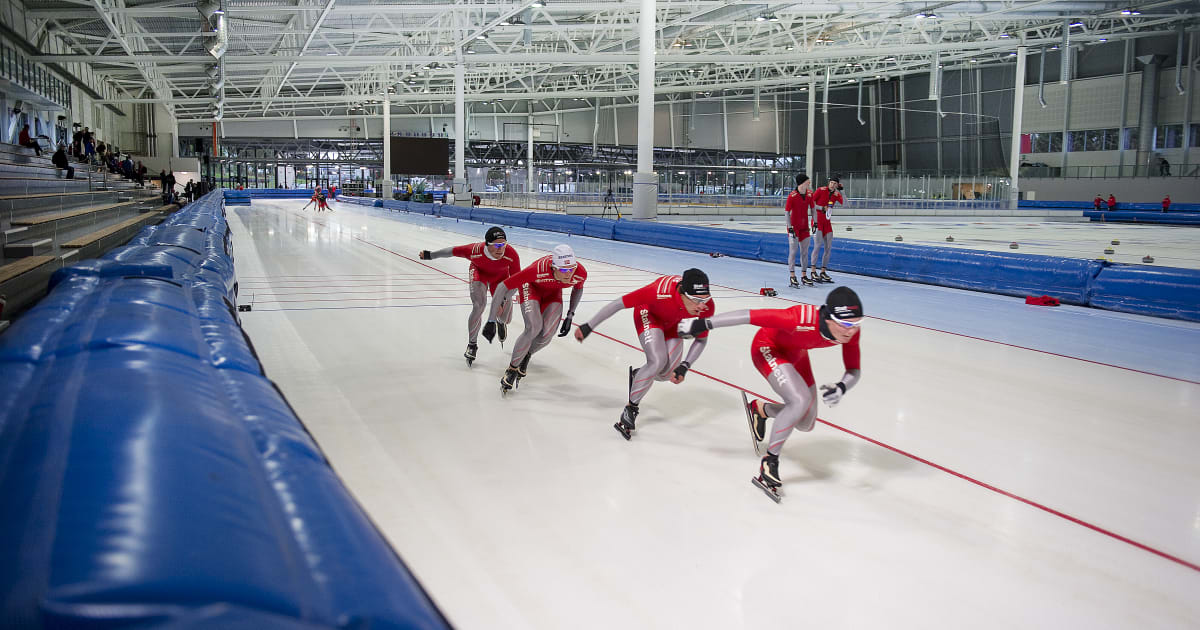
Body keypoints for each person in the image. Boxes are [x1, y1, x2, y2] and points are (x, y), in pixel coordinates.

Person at [677, 287, 863, 501]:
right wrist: (703, 323)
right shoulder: (799, 318)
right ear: (829, 318)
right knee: (799, 400)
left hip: (796, 353)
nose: (851, 331)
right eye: (847, 324)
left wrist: (842, 387)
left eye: (857, 324)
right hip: (767, 347)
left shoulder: (851, 331)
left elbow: (853, 370)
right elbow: (749, 315)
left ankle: (761, 410)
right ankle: (770, 461)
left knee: (805, 423)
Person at [574, 269, 715, 440]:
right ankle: (631, 409)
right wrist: (589, 326)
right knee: (657, 361)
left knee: (665, 374)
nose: (702, 305)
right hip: (649, 314)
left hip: (675, 323)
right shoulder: (657, 293)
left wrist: (685, 366)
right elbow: (618, 303)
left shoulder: (706, 307)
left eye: (705, 299)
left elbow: (701, 340)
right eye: (696, 300)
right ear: (682, 293)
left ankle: (639, 374)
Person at [486, 244, 587, 394]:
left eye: (572, 268)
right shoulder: (537, 270)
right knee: (534, 327)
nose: (569, 274)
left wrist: (570, 314)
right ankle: (512, 369)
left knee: (548, 334)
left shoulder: (580, 272)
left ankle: (526, 354)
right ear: (553, 267)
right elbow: (503, 286)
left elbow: (578, 288)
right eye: (564, 270)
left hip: (552, 294)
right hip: (531, 288)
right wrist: (492, 319)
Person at [419, 227, 521, 366]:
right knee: (479, 305)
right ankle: (472, 345)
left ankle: (501, 323)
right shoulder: (474, 250)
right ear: (487, 244)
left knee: (504, 317)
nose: (501, 249)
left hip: (501, 280)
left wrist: (503, 300)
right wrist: (430, 255)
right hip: (479, 273)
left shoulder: (511, 254)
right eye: (497, 245)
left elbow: (517, 281)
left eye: (503, 244)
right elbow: (451, 251)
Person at [808, 177, 843, 283]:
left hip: (827, 223)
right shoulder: (820, 190)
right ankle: (813, 271)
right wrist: (821, 208)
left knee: (828, 248)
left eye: (835, 183)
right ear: (829, 183)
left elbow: (845, 204)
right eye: (831, 183)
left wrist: (843, 192)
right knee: (818, 246)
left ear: (837, 185)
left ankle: (823, 271)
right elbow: (811, 204)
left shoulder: (836, 194)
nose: (832, 185)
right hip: (817, 222)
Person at [785, 173, 814, 287]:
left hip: (804, 227)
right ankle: (792, 276)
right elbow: (787, 212)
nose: (809, 182)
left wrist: (815, 222)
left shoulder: (809, 194)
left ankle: (804, 275)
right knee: (793, 251)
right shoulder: (792, 196)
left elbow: (813, 209)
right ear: (802, 182)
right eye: (808, 181)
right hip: (794, 227)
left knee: (805, 252)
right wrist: (790, 227)